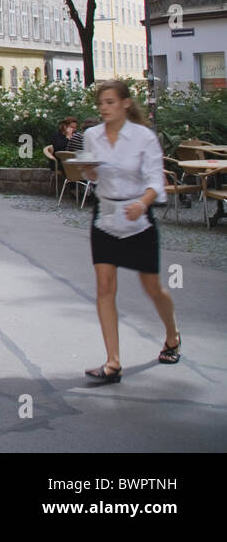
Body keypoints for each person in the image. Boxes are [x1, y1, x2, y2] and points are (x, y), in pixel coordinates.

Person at [79, 79, 180, 383]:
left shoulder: (143, 137)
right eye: (100, 104)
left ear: (125, 104)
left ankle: (172, 335)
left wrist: (142, 204)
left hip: (138, 216)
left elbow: (155, 181)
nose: (104, 109)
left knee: (152, 287)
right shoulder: (92, 135)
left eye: (110, 102)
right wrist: (87, 170)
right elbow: (94, 174)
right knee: (104, 286)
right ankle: (113, 362)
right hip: (106, 214)